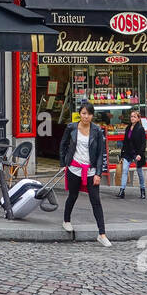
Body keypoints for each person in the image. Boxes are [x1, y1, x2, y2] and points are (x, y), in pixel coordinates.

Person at [58, 101, 111, 246]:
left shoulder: (97, 131)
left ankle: (102, 234)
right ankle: (66, 220)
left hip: (91, 171)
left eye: (88, 114)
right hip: (74, 168)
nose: (85, 116)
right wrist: (63, 164)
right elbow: (63, 145)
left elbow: (100, 153)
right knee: (73, 196)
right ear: (79, 114)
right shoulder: (71, 127)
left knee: (96, 201)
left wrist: (98, 173)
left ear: (92, 115)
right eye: (83, 113)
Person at [117, 109, 147, 200]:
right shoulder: (128, 128)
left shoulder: (140, 129)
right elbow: (125, 141)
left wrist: (140, 154)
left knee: (139, 172)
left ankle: (143, 190)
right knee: (125, 171)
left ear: (138, 118)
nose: (132, 118)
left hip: (137, 153)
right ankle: (122, 190)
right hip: (127, 153)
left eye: (134, 116)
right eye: (131, 116)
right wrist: (122, 153)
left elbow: (143, 143)